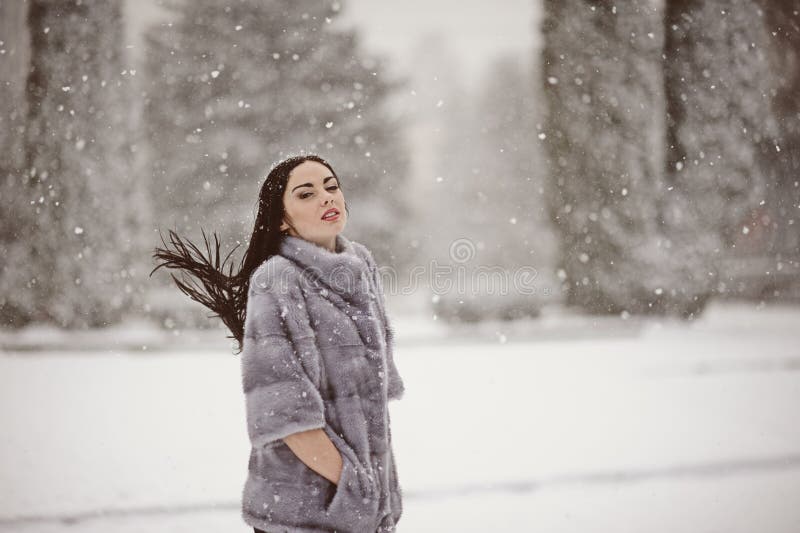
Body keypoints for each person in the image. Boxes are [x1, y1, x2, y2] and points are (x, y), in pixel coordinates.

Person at [151, 154, 405, 532]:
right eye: (306, 193)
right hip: (301, 514)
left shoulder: (361, 267)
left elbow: (375, 401)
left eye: (331, 186)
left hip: (364, 514)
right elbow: (288, 417)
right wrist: (357, 491)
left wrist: (377, 495)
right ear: (281, 220)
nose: (326, 197)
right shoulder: (277, 279)